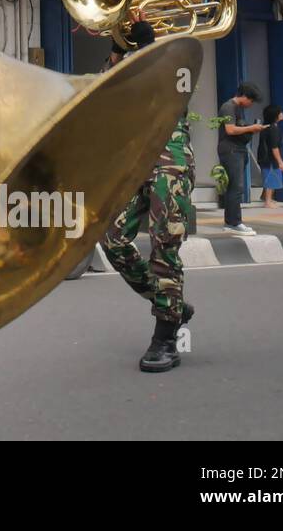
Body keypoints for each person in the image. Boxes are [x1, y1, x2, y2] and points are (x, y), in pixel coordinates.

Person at [99, 19, 196, 373]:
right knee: (112, 241)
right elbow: (102, 94)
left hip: (169, 157)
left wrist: (149, 48)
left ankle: (166, 337)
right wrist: (118, 48)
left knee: (163, 244)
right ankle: (171, 303)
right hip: (133, 159)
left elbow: (178, 89)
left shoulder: (180, 57)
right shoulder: (125, 61)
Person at [218, 82, 265, 235]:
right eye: (251, 101)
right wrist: (252, 128)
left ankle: (231, 222)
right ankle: (234, 223)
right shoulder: (228, 107)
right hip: (231, 150)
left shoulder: (236, 108)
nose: (250, 104)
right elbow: (230, 130)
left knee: (235, 187)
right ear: (244, 96)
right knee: (236, 186)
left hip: (238, 149)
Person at [258, 105, 283, 208]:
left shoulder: (267, 127)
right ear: (276, 115)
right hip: (269, 158)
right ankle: (268, 201)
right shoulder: (273, 129)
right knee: (270, 177)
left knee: (272, 177)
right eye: (280, 112)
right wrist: (280, 162)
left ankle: (266, 198)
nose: (282, 113)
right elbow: (274, 147)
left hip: (265, 157)